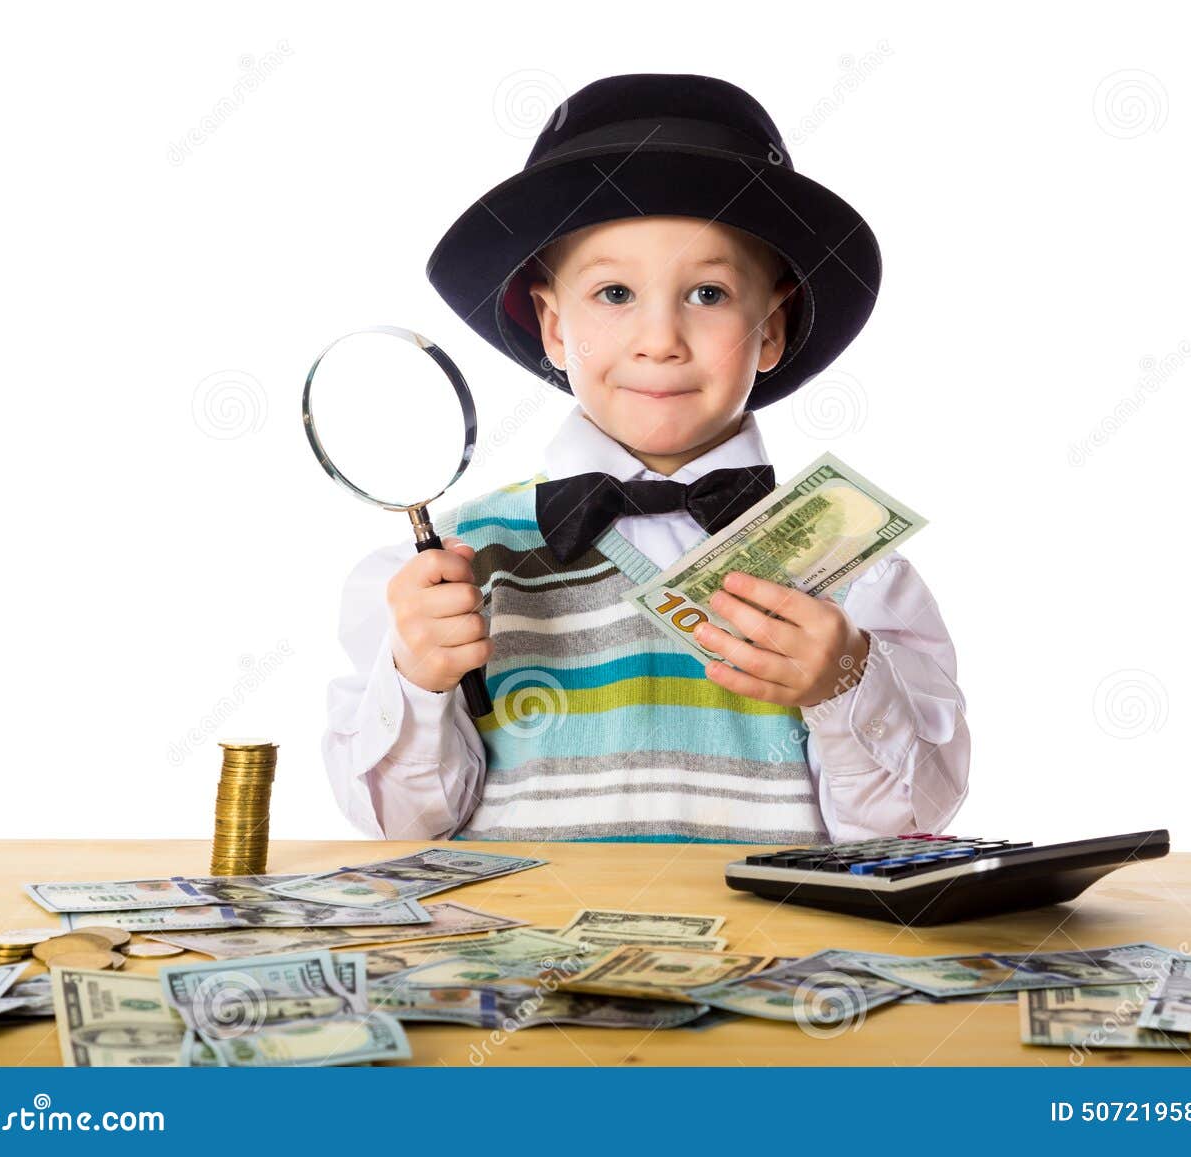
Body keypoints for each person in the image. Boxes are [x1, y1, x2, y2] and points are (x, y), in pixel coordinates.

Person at [322, 73, 970, 843]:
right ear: (553, 326)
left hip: (766, 963)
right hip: (527, 964)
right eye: (615, 293)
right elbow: (404, 826)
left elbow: (908, 828)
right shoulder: (452, 570)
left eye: (707, 295)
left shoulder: (853, 567)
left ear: (772, 327)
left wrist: (843, 682)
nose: (659, 339)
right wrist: (419, 679)